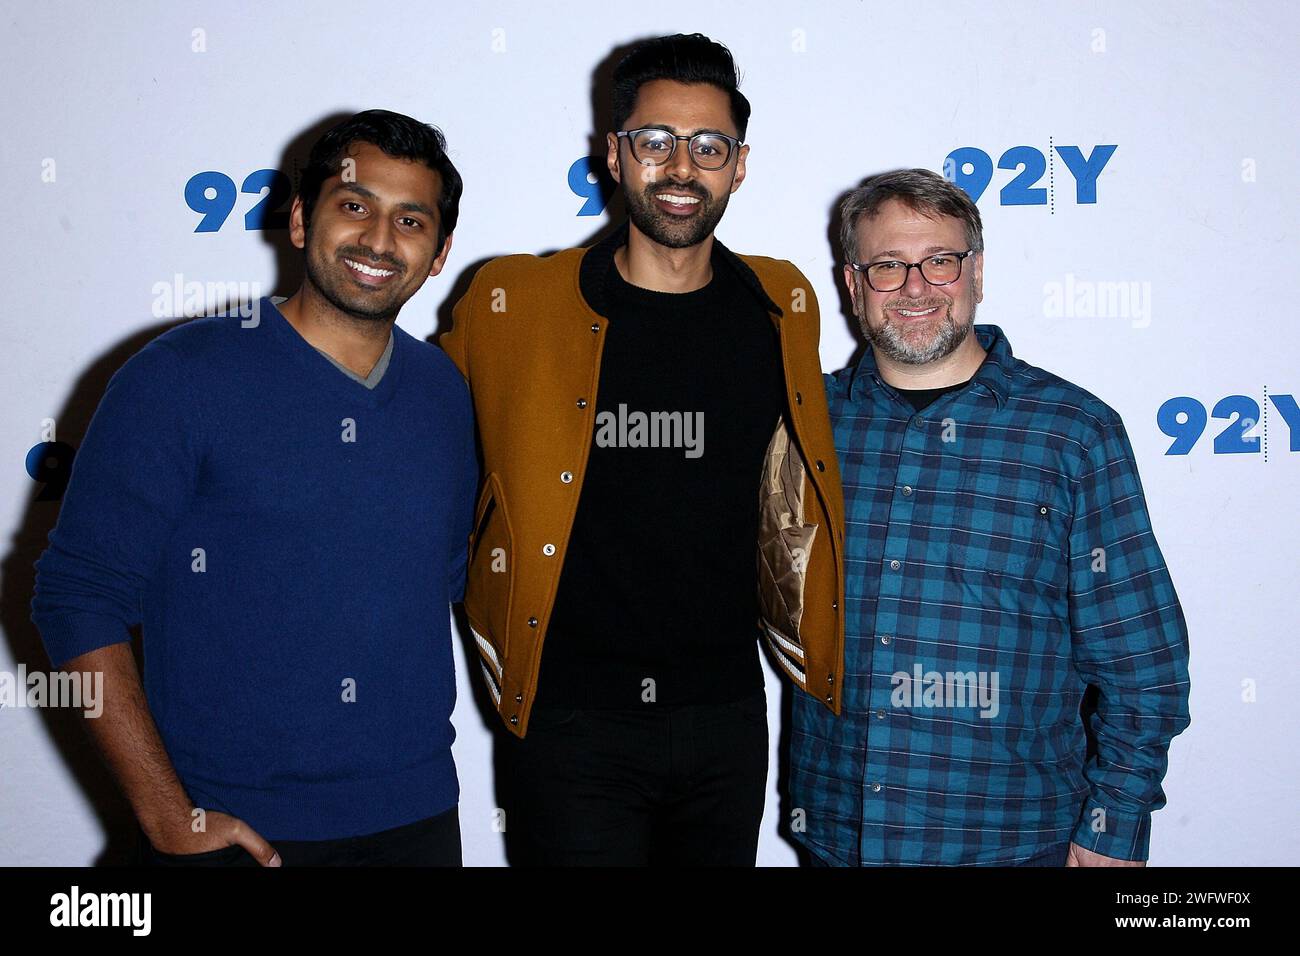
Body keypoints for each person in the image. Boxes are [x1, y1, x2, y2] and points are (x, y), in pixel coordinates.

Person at [31, 109, 475, 866]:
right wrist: (169, 813)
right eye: (354, 206)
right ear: (301, 220)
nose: (378, 239)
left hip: (419, 821)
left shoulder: (445, 390)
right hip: (233, 827)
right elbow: (76, 596)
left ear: (438, 254)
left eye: (410, 219)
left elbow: (448, 584)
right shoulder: (180, 377)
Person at [442, 33, 845, 866]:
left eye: (709, 147)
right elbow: (410, 432)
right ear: (614, 156)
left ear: (740, 165)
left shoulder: (781, 300)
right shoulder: (514, 303)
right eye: (655, 142)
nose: (681, 168)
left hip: (727, 716)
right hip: (567, 722)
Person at [790, 167, 1191, 866]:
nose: (916, 288)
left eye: (939, 261)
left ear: (976, 272)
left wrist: (1113, 825)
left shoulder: (1072, 433)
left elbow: (1143, 664)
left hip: (1012, 844)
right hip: (839, 836)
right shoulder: (803, 425)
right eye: (888, 266)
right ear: (853, 285)